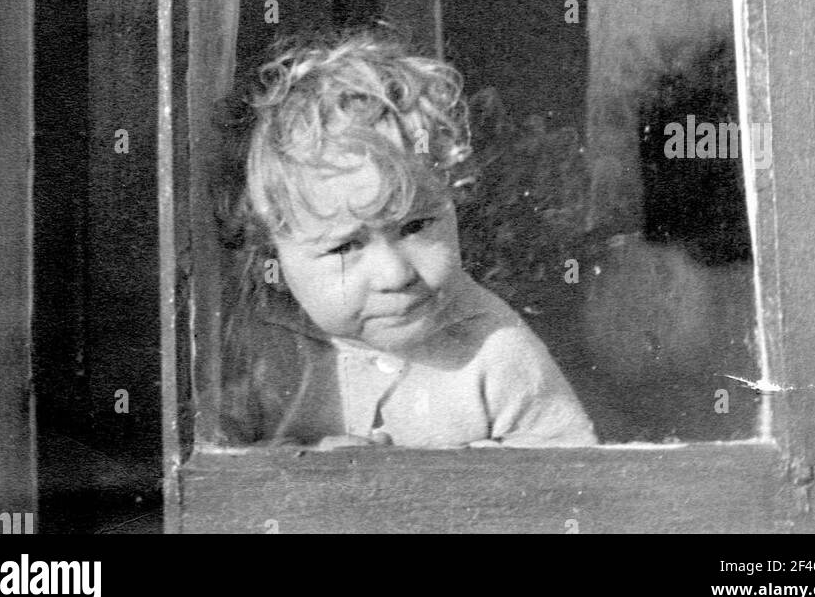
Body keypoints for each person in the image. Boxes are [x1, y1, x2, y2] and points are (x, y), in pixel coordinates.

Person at [218, 27, 598, 449]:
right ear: (272, 252)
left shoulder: (495, 350)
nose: (395, 273)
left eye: (415, 226)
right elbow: (207, 483)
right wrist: (299, 470)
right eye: (345, 246)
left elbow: (574, 484)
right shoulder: (254, 347)